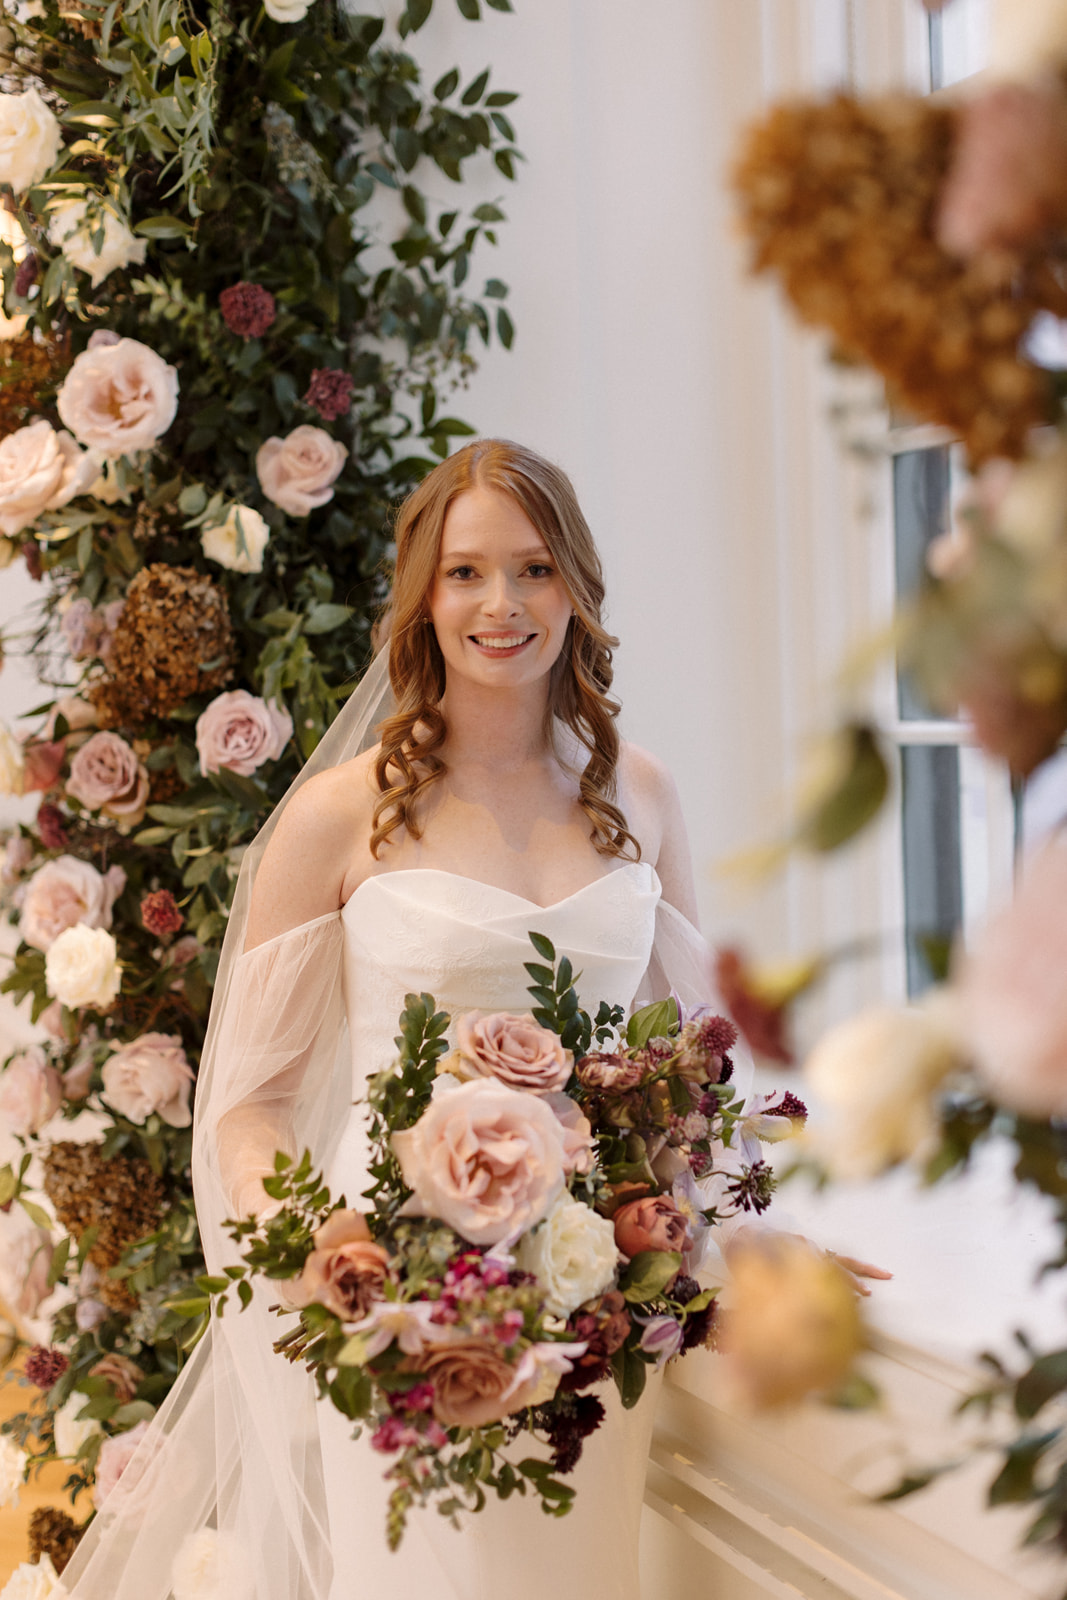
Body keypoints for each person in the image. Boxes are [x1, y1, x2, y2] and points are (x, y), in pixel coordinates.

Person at [62, 439, 881, 1600]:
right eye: (464, 573)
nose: (500, 603)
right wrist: (326, 1251)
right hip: (404, 1307)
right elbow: (244, 1105)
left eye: (534, 568)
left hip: (596, 1304)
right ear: (423, 595)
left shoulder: (637, 793)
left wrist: (750, 1242)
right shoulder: (334, 820)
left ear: (575, 588)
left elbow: (692, 1072)